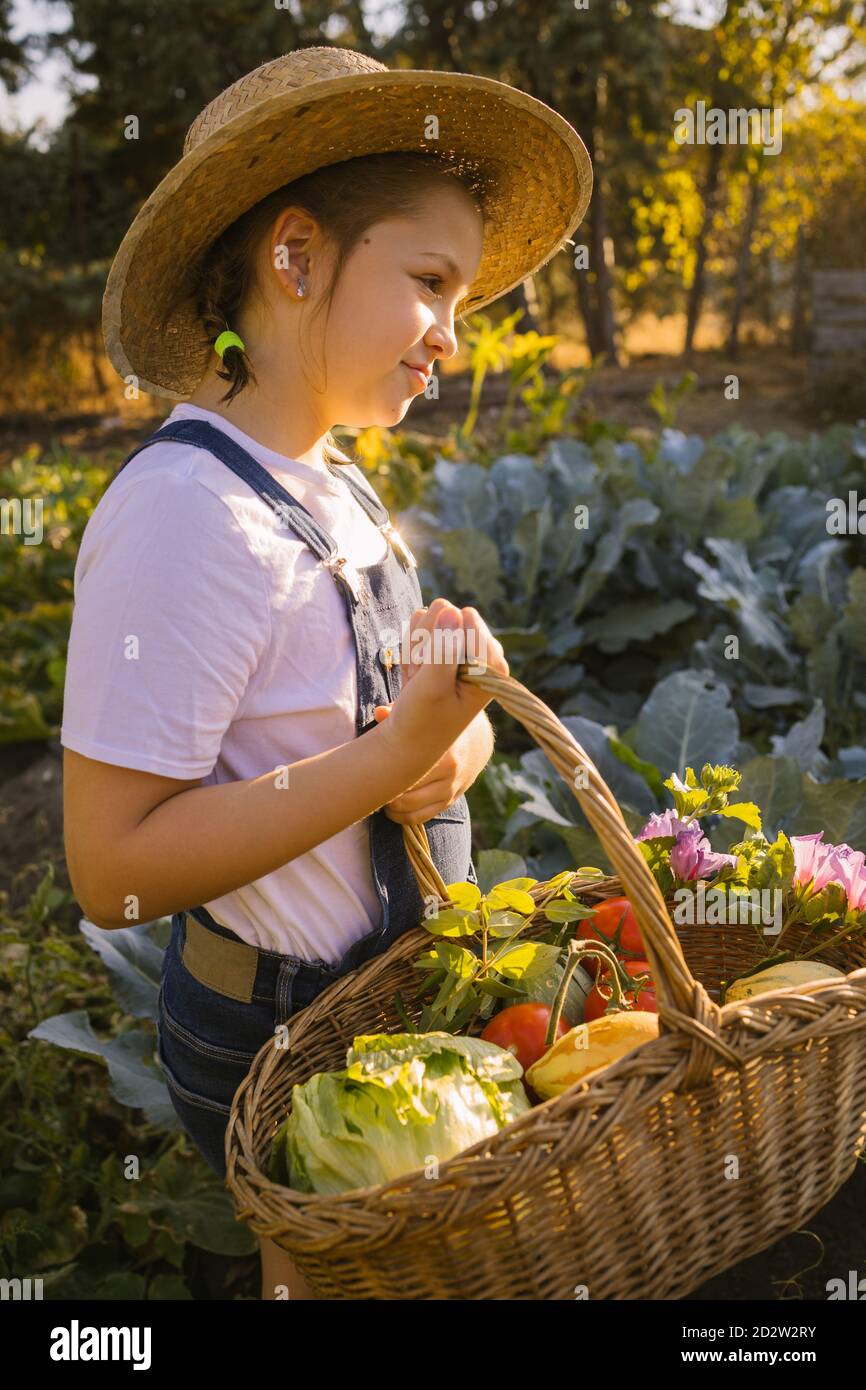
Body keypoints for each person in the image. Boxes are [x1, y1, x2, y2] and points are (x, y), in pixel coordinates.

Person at [61, 45, 592, 1300]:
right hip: (278, 1033)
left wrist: (449, 739)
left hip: (395, 993)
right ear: (294, 259)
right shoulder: (185, 510)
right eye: (428, 282)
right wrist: (388, 758)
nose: (450, 336)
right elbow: (113, 866)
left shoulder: (341, 486)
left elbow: (388, 743)